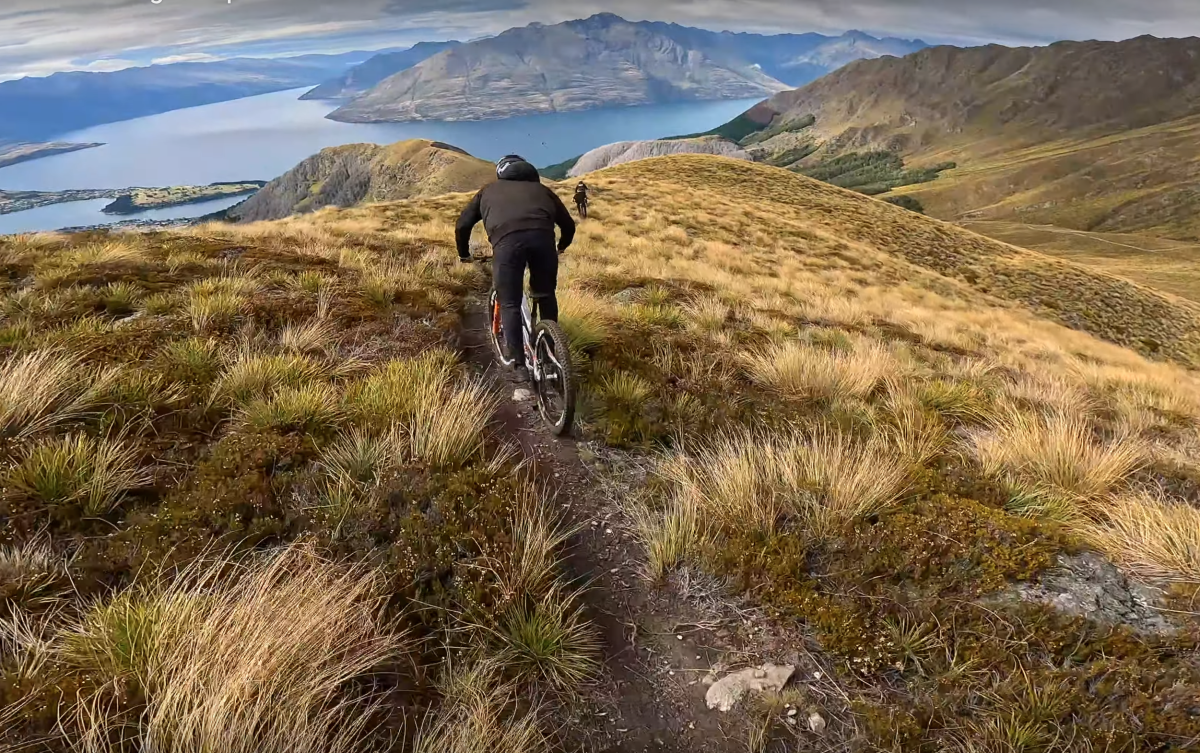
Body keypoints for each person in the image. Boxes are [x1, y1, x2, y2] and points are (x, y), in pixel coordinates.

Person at [456, 154, 576, 383]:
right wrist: (560, 247)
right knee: (545, 294)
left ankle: (518, 364)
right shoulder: (543, 191)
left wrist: (464, 254)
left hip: (507, 244)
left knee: (509, 301)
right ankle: (550, 350)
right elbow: (568, 225)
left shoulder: (488, 191)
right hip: (544, 243)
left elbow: (462, 224)